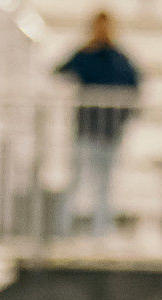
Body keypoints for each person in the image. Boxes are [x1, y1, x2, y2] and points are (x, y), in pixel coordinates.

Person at [55, 9, 139, 239]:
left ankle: (101, 232)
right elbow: (59, 71)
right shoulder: (85, 55)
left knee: (104, 186)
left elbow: (134, 87)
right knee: (76, 180)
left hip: (109, 132)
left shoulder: (119, 59)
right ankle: (61, 230)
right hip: (86, 130)